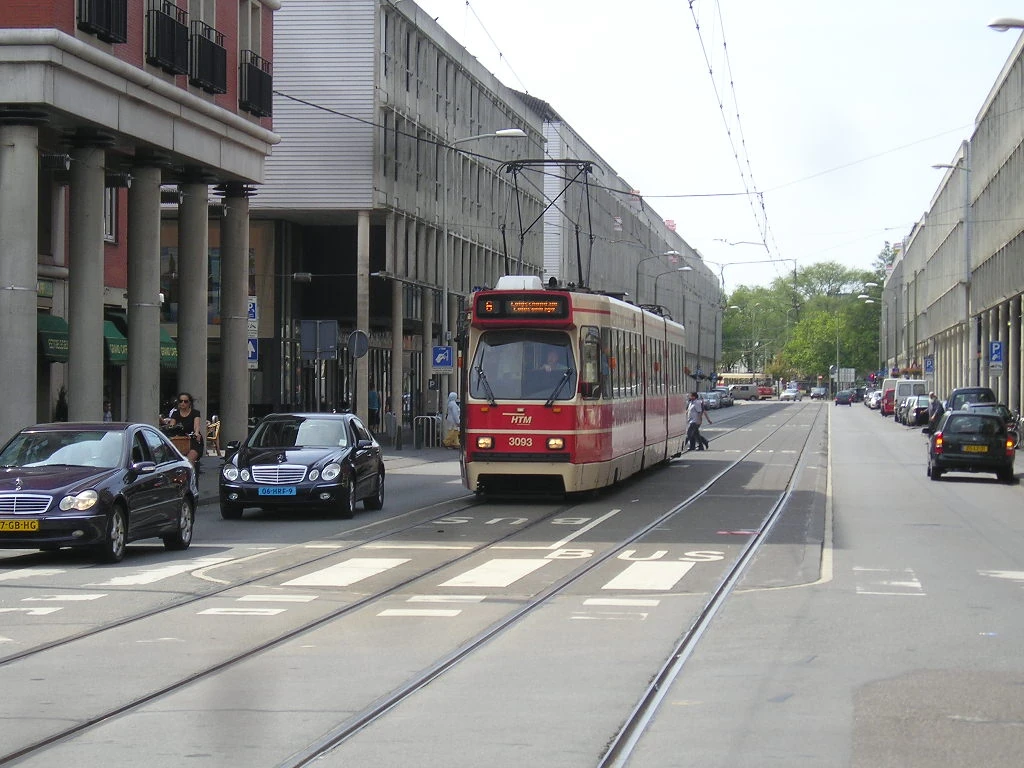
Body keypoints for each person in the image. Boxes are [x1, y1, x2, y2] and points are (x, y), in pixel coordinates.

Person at [163, 392, 203, 468]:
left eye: (185, 401)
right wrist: (170, 429)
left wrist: (196, 433)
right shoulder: (175, 413)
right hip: (179, 440)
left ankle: (190, 476)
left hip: (192, 439)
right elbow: (172, 426)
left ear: (189, 403)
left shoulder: (195, 413)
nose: (183, 403)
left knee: (189, 460)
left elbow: (196, 426)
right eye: (181, 401)